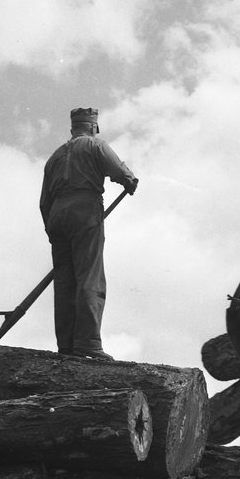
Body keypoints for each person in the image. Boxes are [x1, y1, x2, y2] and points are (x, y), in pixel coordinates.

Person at [40, 107, 138, 357]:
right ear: (93, 127)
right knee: (89, 277)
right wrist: (129, 180)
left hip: (56, 217)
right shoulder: (96, 145)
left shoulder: (54, 157)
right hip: (84, 211)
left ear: (73, 128)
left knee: (64, 284)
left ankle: (67, 346)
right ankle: (88, 343)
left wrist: (52, 230)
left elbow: (43, 202)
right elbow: (120, 172)